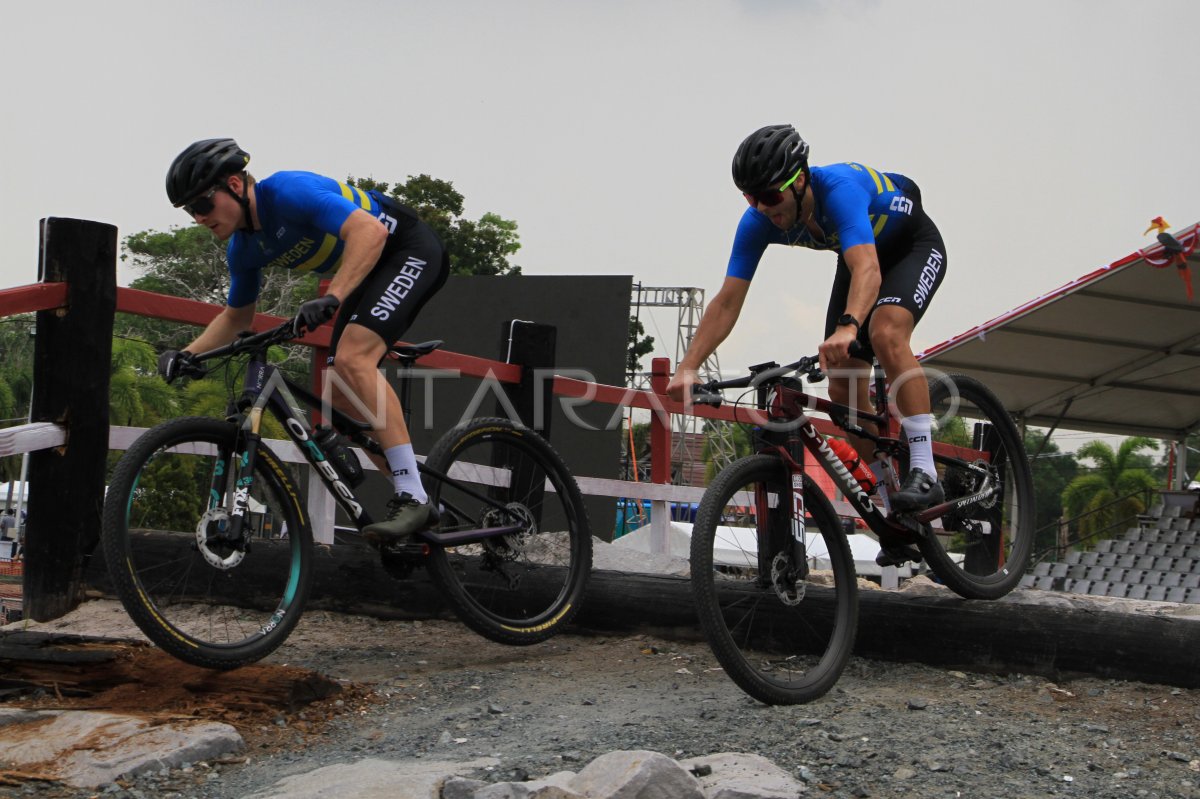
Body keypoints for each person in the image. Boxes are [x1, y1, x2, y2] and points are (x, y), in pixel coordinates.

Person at [666, 124, 949, 546]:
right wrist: (687, 367)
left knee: (886, 331)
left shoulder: (838, 190)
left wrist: (849, 326)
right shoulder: (758, 221)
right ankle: (896, 506)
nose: (762, 207)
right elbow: (727, 300)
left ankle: (925, 469)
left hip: (910, 247)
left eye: (770, 196)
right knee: (843, 388)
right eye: (750, 198)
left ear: (799, 181)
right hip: (858, 258)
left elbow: (869, 269)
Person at [160, 139, 449, 544]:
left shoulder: (288, 192)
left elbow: (370, 230)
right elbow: (237, 317)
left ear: (235, 185)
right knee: (342, 395)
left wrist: (332, 297)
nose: (197, 218)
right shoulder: (242, 249)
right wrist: (188, 353)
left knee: (353, 360)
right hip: (368, 269)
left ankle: (412, 495)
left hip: (406, 249)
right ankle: (423, 501)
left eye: (202, 205)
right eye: (189, 210)